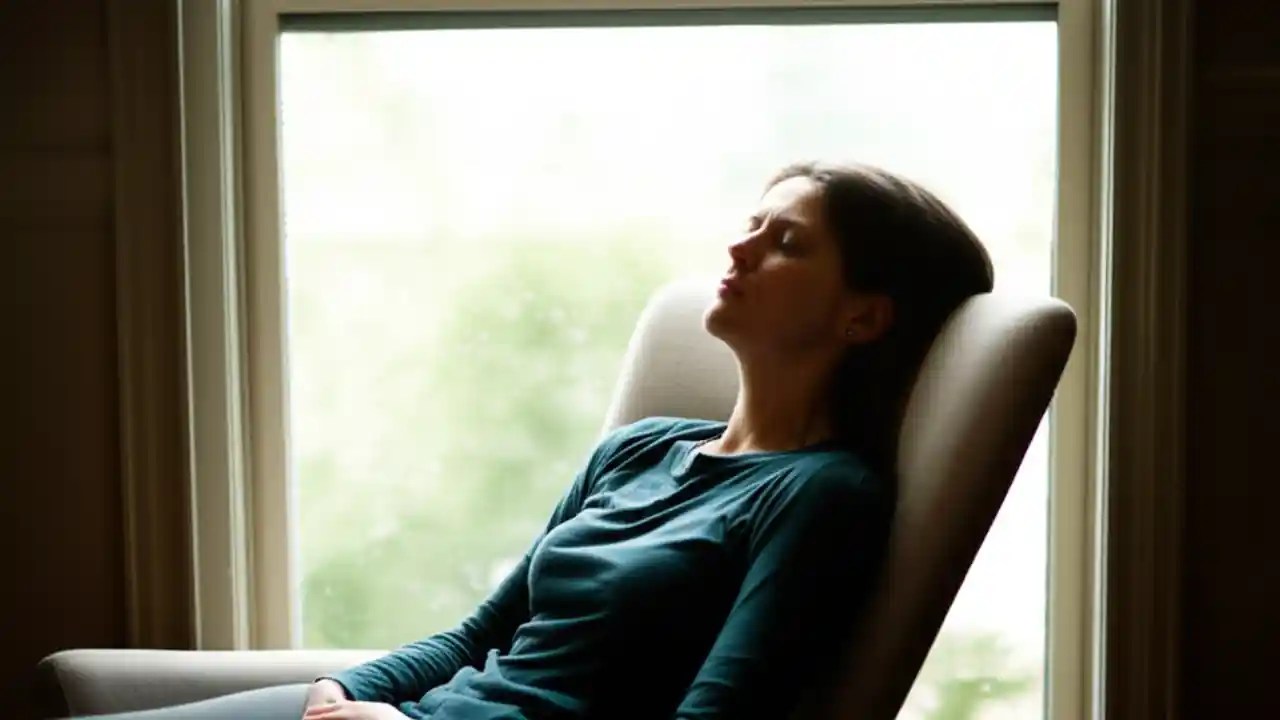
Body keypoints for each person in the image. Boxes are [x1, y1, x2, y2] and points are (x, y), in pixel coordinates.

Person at [72, 161, 993, 720]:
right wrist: (347, 698)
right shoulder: (639, 451)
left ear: (865, 317)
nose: (739, 251)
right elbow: (483, 635)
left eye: (786, 243)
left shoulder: (820, 496)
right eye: (749, 225)